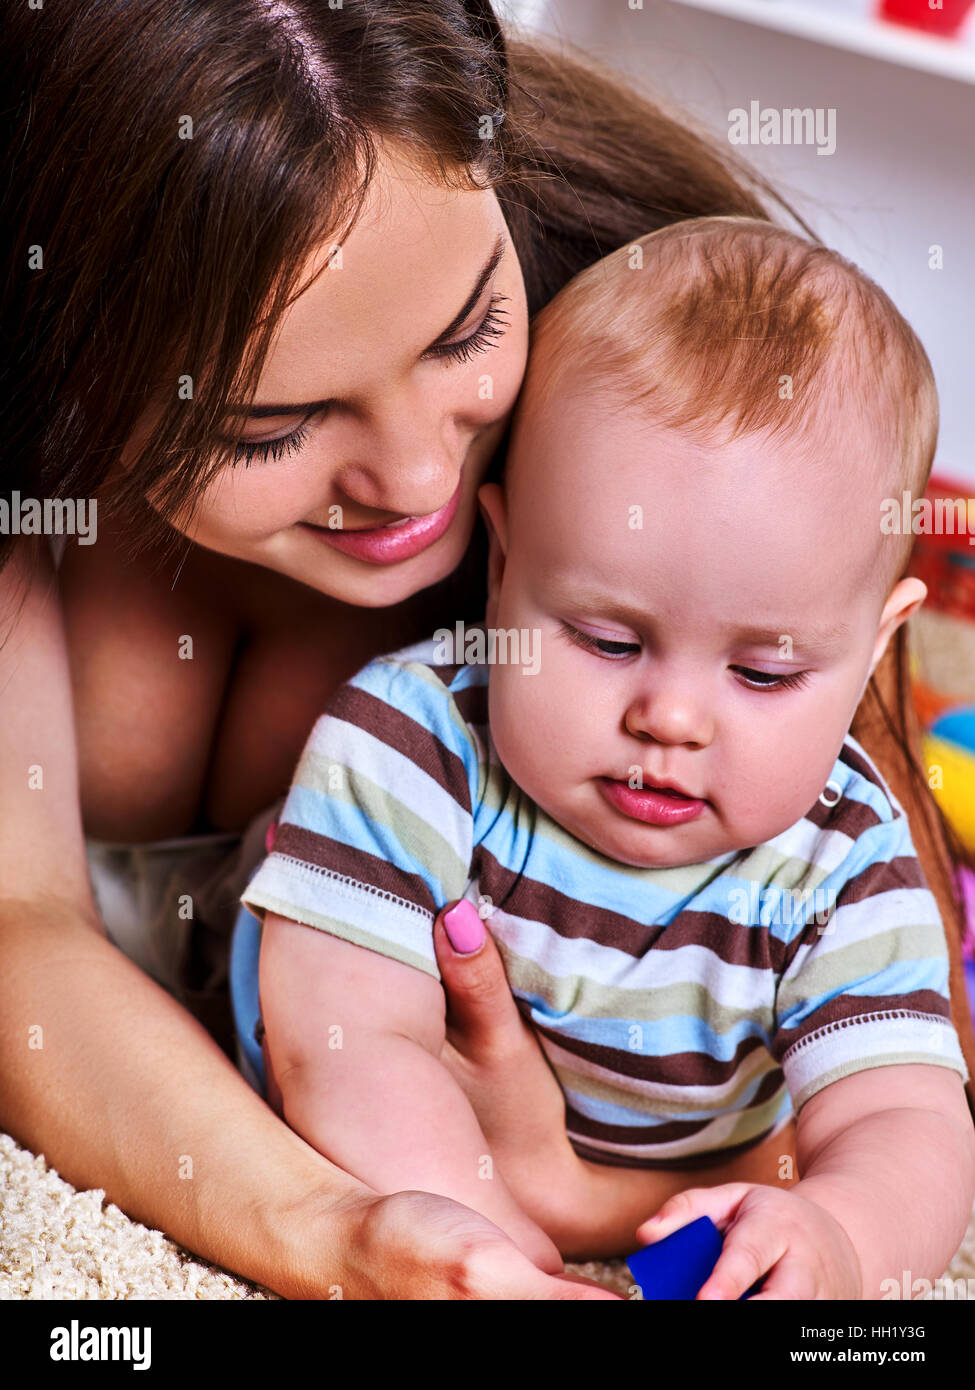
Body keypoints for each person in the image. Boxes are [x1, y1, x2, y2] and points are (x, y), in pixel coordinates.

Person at [0, 0, 971, 1300]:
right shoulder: (402, 729)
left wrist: (593, 1193)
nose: (416, 479)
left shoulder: (642, 381)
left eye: (463, 331)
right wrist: (368, 1226)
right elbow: (23, 938)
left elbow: (877, 1105)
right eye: (268, 421)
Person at [243, 218, 975, 1298]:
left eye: (763, 674)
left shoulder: (844, 859)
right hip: (413, 1111)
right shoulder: (413, 739)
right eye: (608, 640)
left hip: (657, 1178)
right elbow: (345, 1045)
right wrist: (481, 1227)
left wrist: (840, 1233)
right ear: (504, 564)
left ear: (873, 645)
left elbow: (905, 1120)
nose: (671, 719)